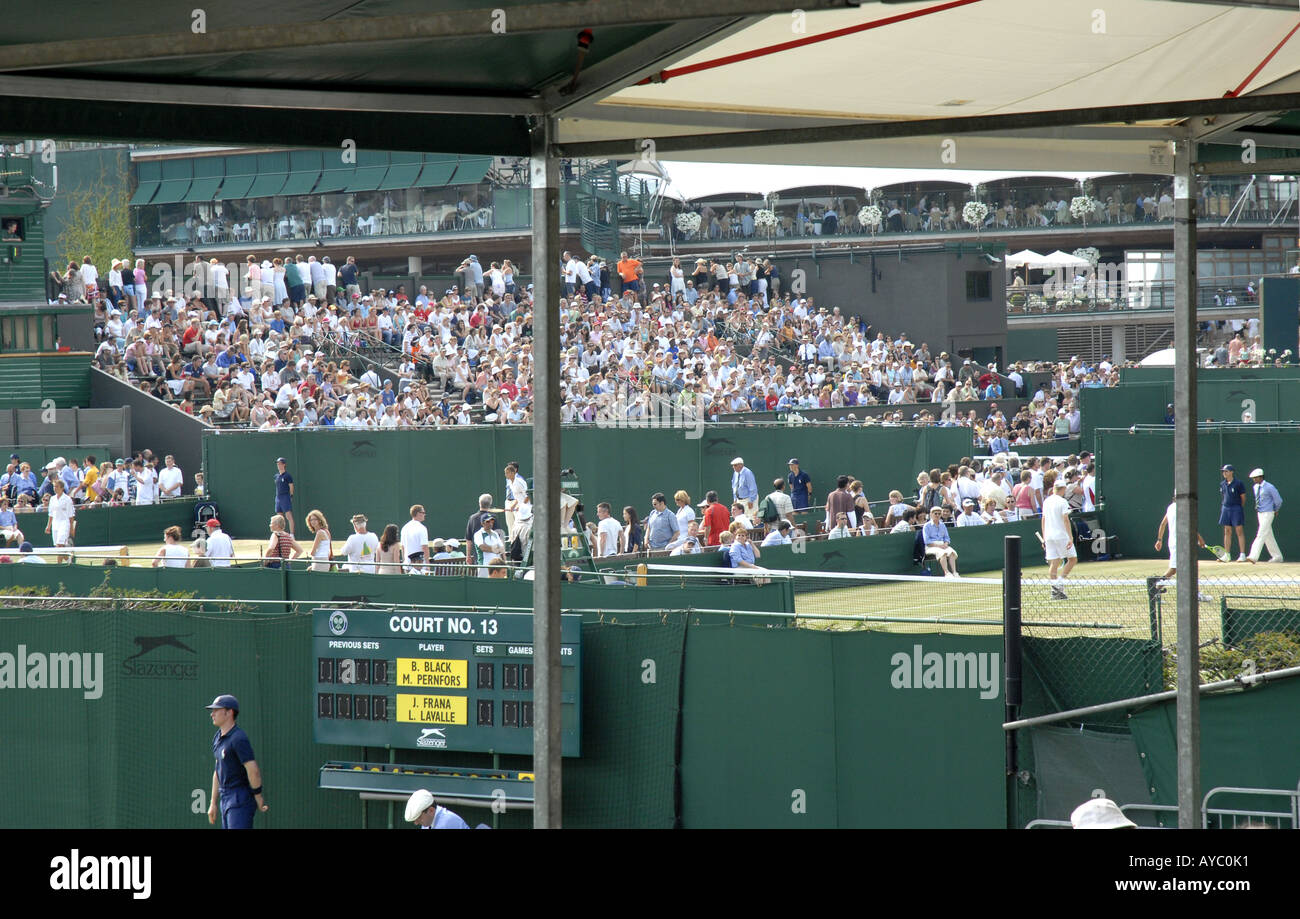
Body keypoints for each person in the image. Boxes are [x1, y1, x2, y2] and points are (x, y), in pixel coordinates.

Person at [205, 694, 268, 829]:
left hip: (240, 798)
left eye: (216, 710)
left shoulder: (239, 738)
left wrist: (258, 795)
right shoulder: (217, 738)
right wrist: (213, 803)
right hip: (225, 798)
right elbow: (218, 770)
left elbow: (253, 770)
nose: (212, 714)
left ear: (229, 712)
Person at [1040, 472, 1077, 599]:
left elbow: (1043, 520)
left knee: (1054, 563)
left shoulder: (1047, 501)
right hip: (1061, 536)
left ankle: (1055, 591)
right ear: (1063, 489)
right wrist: (1070, 537)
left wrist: (1044, 537)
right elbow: (1065, 519)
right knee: (1072, 559)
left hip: (1049, 536)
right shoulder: (1062, 502)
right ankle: (1059, 585)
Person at [1155, 494, 1209, 578]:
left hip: (1175, 542)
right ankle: (1156, 585)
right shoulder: (1183, 509)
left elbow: (1163, 524)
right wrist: (1199, 539)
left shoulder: (1170, 507)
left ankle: (1192, 590)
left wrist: (1159, 540)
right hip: (1179, 543)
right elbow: (1189, 526)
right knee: (1174, 569)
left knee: (1188, 566)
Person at [1243, 467, 1283, 564]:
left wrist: (1275, 509)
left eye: (1255, 478)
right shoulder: (1255, 487)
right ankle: (1277, 557)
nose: (1254, 480)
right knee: (1268, 535)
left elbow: (1278, 500)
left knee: (1261, 534)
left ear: (1261, 477)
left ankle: (1253, 556)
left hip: (1268, 513)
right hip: (1260, 513)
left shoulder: (1270, 487)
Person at [404, 788, 470, 830]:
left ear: (431, 810)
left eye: (419, 818)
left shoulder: (447, 823)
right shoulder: (428, 822)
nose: (416, 823)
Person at [922, 507, 960, 578]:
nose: (937, 515)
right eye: (935, 513)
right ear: (931, 514)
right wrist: (939, 546)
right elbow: (927, 541)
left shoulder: (942, 525)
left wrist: (946, 544)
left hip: (943, 545)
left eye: (939, 514)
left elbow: (947, 538)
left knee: (951, 552)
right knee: (943, 553)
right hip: (931, 547)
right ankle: (947, 573)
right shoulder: (926, 526)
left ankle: (954, 572)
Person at [45, 476, 76, 561]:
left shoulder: (67, 499)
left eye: (57, 487)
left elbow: (71, 515)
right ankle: (69, 559)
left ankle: (59, 565)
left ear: (62, 488)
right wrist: (48, 526)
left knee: (60, 545)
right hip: (55, 524)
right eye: (54, 486)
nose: (55, 488)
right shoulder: (52, 499)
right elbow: (50, 514)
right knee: (57, 547)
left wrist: (72, 528)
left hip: (64, 523)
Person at [400, 504, 431, 573]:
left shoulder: (405, 527)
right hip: (420, 566)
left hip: (407, 565)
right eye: (423, 513)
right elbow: (424, 547)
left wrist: (405, 561)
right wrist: (427, 565)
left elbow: (403, 547)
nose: (424, 514)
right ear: (418, 513)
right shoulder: (422, 528)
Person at [274, 457, 296, 537]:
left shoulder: (287, 476)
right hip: (278, 498)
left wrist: (291, 496)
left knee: (288, 516)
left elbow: (291, 487)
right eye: (278, 464)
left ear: (284, 464)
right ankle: (281, 534)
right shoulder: (276, 476)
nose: (279, 465)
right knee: (279, 517)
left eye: (280, 464)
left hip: (285, 497)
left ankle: (292, 535)